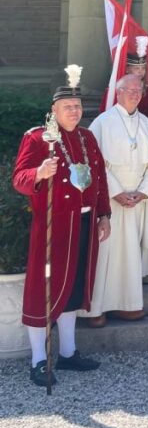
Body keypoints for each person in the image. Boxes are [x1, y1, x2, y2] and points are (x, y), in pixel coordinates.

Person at [12, 66, 110, 386]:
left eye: (78, 106)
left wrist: (104, 214)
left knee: (74, 288)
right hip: (53, 228)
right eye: (68, 107)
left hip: (84, 223)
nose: (74, 111)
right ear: (54, 110)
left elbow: (100, 179)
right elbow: (19, 179)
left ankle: (68, 352)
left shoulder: (87, 137)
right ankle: (39, 360)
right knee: (44, 292)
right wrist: (40, 173)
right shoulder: (39, 138)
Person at [83, 74, 148, 326]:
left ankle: (128, 305)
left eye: (138, 90)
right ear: (117, 92)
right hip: (109, 202)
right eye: (129, 90)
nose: (134, 94)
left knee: (130, 254)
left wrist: (142, 191)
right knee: (105, 254)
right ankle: (96, 309)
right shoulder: (102, 123)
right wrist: (116, 191)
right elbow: (95, 165)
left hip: (137, 202)